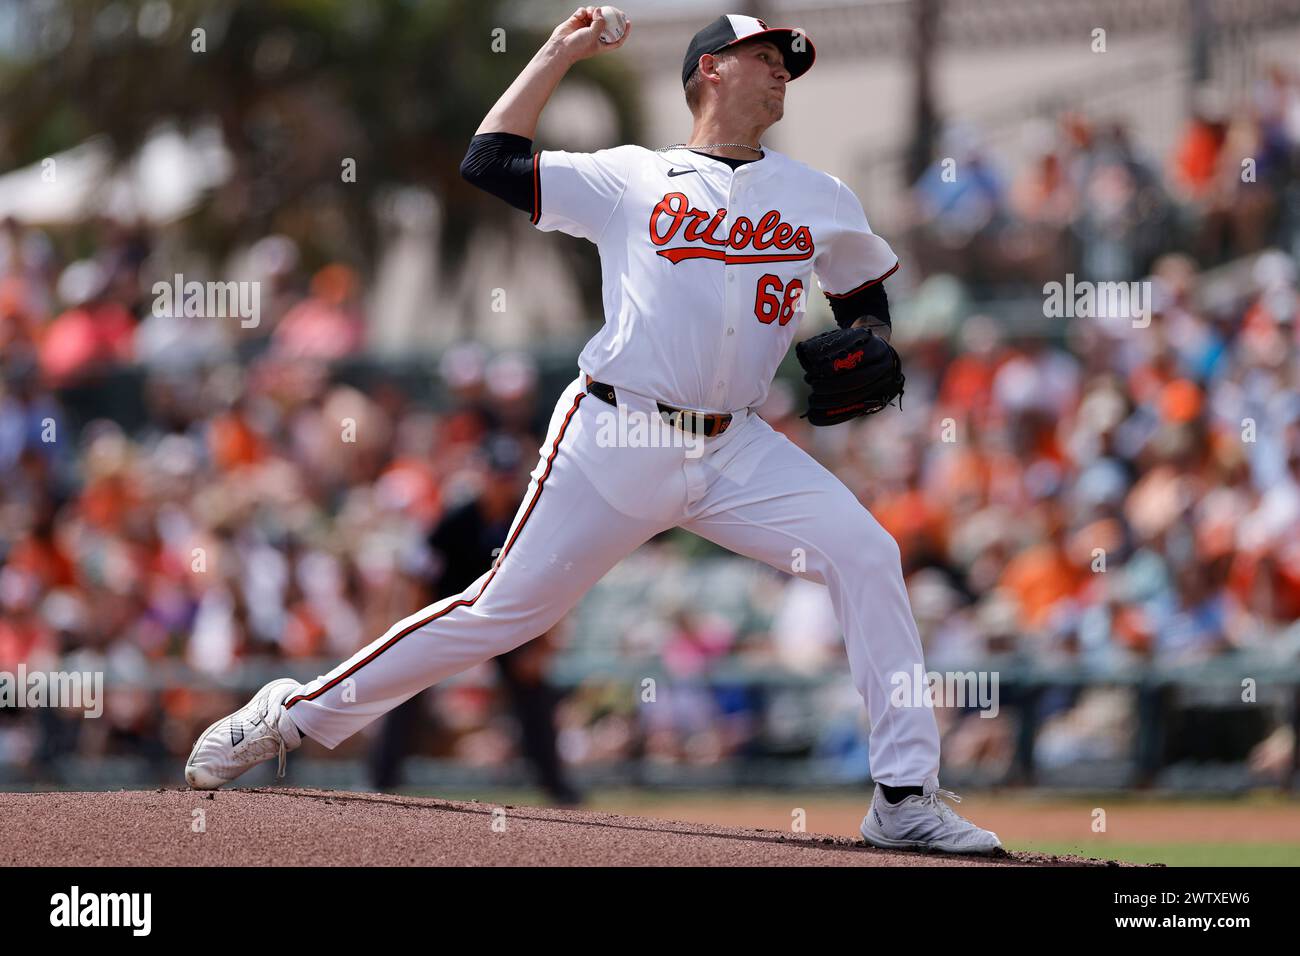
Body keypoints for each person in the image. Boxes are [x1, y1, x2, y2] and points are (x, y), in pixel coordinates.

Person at [185, 8, 1001, 854]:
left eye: (788, 61)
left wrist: (872, 338)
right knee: (499, 612)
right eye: (766, 56)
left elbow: (863, 293)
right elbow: (489, 160)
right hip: (620, 430)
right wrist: (558, 51)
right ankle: (292, 714)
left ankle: (904, 796)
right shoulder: (631, 177)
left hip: (738, 446)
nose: (782, 71)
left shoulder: (818, 197)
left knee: (868, 553)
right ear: (711, 69)